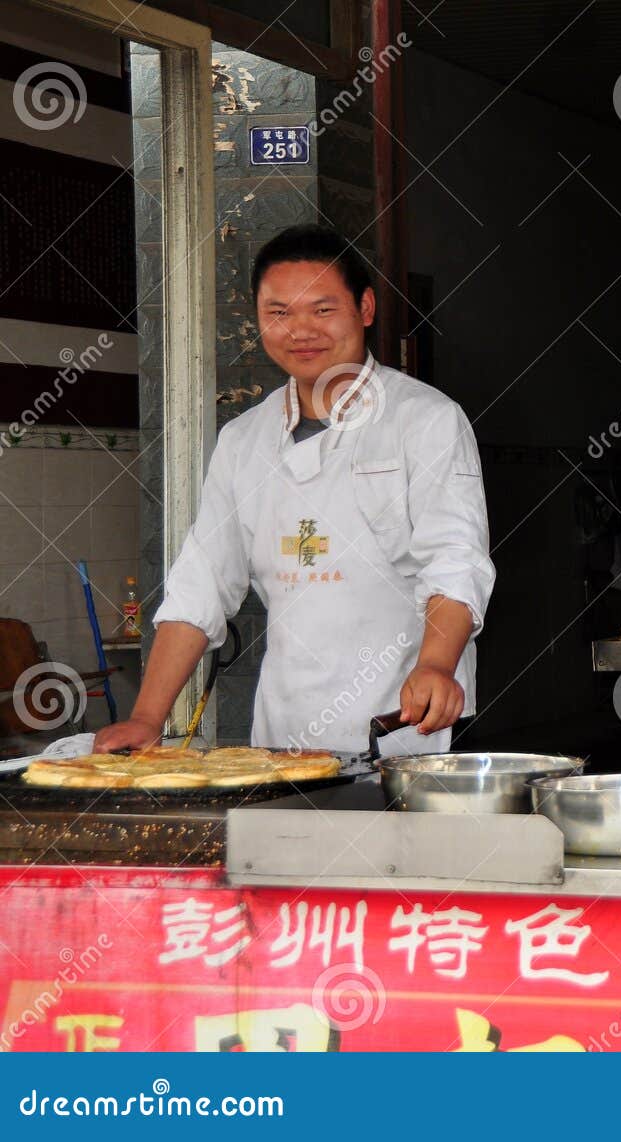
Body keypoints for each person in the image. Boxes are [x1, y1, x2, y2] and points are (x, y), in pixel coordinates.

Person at [95, 226, 494, 754]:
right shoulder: (242, 441)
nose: (300, 330)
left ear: (366, 308)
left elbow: (456, 559)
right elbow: (201, 583)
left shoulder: (426, 421)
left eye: (323, 310)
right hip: (283, 737)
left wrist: (436, 666)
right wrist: (147, 717)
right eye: (278, 313)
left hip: (406, 725)